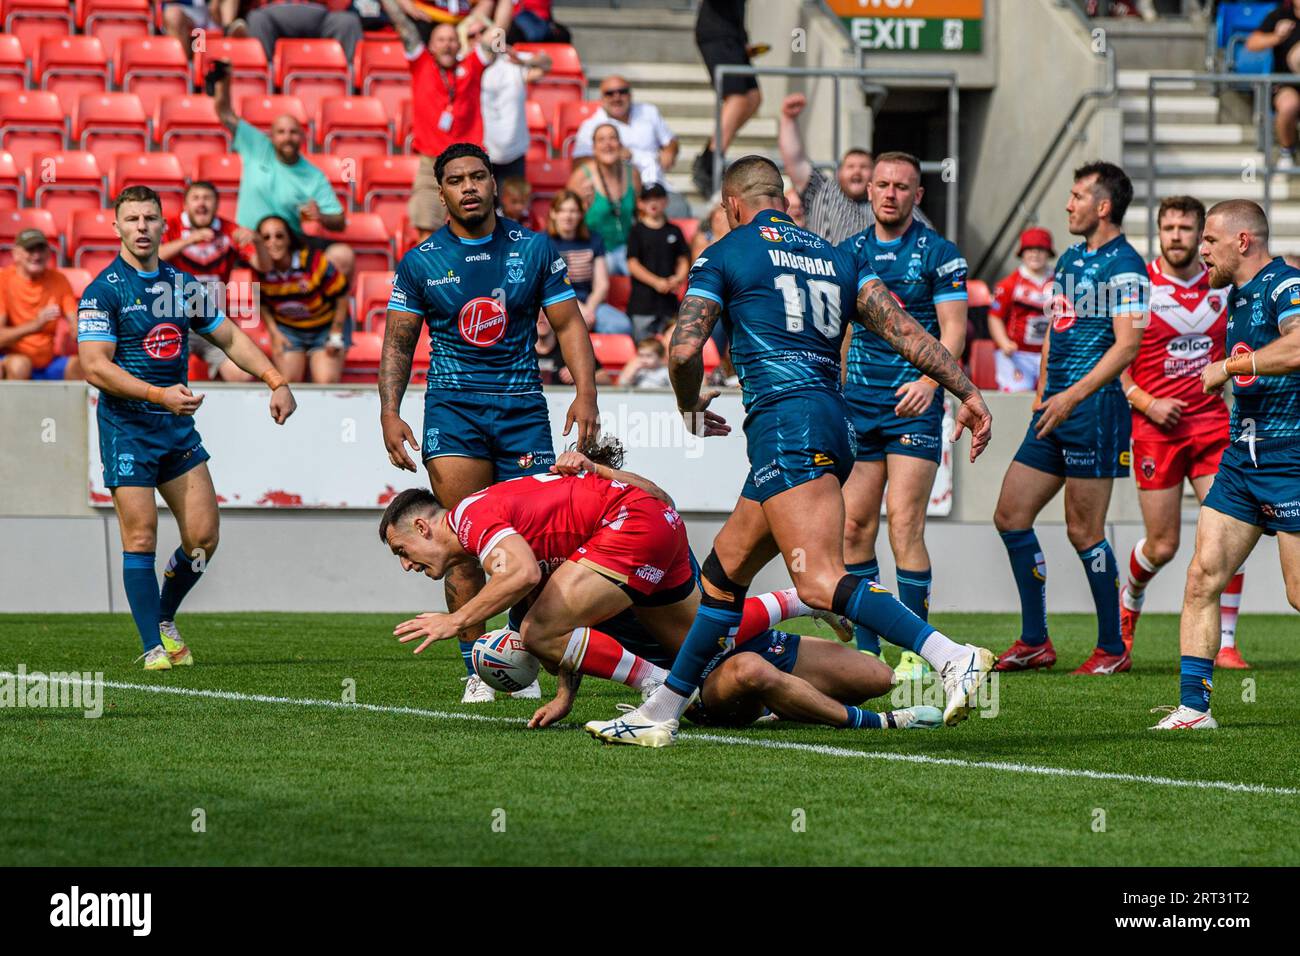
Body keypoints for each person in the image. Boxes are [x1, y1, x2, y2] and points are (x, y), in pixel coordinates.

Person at [583, 155, 995, 748]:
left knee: (819, 582)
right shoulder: (839, 255)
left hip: (786, 423)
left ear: (730, 205)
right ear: (780, 197)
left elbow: (681, 352)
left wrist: (689, 405)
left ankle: (950, 655)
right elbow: (907, 332)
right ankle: (662, 712)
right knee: (723, 574)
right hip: (834, 421)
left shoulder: (726, 251)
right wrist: (968, 391)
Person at [378, 142, 600, 703]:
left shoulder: (535, 248)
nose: (469, 187)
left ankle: (524, 659)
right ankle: (477, 668)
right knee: (462, 544)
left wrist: (586, 392)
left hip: (522, 409)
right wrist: (389, 410)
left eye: (479, 176)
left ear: (495, 185)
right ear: (442, 191)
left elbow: (569, 325)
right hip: (453, 413)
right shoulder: (422, 260)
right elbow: (399, 342)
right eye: (456, 180)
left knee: (533, 546)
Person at [76, 186, 297, 670]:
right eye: (131, 219)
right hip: (128, 427)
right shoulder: (103, 291)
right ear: (116, 227)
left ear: (163, 226)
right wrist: (157, 395)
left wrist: (275, 379)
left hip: (176, 430)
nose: (140, 227)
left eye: (149, 218)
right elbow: (94, 366)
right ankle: (152, 647)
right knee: (141, 538)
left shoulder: (182, 285)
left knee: (203, 538)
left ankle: (164, 616)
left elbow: (230, 335)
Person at [993, 162, 1148, 675]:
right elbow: (1055, 335)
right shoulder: (1070, 261)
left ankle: (1111, 647)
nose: (1068, 204)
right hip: (1053, 410)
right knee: (1010, 516)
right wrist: (1044, 393)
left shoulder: (1128, 266)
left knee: (1084, 532)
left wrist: (1073, 396)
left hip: (1096, 414)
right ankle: (1036, 640)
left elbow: (1128, 346)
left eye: (1077, 195)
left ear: (1103, 207)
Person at [1153, 199, 1300, 729]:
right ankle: (1194, 709)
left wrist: (1231, 366)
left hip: (1291, 461)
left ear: (1243, 241)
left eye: (1209, 241)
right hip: (1242, 462)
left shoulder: (1285, 285)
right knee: (1201, 577)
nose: (1200, 250)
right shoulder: (1237, 296)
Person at [838, 152, 969, 682]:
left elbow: (954, 329)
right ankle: (867, 653)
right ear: (868, 191)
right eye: (883, 185)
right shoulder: (847, 253)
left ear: (919, 195)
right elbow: (843, 330)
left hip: (913, 406)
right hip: (859, 404)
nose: (891, 193)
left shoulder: (939, 253)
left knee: (906, 527)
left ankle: (919, 653)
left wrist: (929, 380)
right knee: (852, 529)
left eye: (902, 186)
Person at [1119, 196, 1247, 669]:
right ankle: (1128, 603)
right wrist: (1147, 402)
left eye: (1186, 228)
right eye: (1168, 227)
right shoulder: (1138, 287)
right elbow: (1115, 362)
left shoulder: (1225, 286)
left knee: (1227, 532)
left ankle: (1227, 642)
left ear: (1201, 235)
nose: (1177, 235)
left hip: (1213, 426)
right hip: (1155, 431)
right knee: (1163, 544)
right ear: (1158, 232)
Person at [380, 0, 514, 239]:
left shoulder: (472, 66)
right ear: (431, 45)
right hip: (430, 166)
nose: (447, 44)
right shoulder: (421, 64)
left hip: (469, 165)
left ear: (459, 43)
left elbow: (498, 33)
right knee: (427, 236)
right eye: (441, 40)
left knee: (479, 232)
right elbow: (402, 24)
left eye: (452, 39)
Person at [211, 64, 355, 285]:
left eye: (293, 132)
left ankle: (324, 315)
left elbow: (340, 221)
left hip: (290, 242)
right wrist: (224, 79)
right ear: (272, 136)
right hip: (249, 239)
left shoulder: (313, 175)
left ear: (302, 137)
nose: (287, 137)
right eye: (281, 132)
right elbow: (225, 113)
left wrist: (321, 216)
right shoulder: (257, 146)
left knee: (343, 256)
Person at [160, 180, 265, 383]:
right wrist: (190, 239)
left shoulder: (228, 230)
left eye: (207, 198)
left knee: (242, 375)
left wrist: (258, 242)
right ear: (185, 204)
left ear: (217, 205)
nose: (202, 203)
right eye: (196, 198)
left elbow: (263, 266)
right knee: (163, 374)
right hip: (174, 321)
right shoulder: (169, 227)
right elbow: (151, 259)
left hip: (214, 321)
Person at [253, 215, 351, 384]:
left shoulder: (314, 261)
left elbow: (341, 295)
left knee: (325, 381)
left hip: (325, 327)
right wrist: (274, 333)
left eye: (279, 236)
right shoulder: (259, 270)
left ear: (289, 239)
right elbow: (262, 303)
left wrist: (335, 332)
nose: (273, 242)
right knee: (288, 382)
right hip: (289, 329)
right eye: (266, 238)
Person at [691, 0, 762, 197]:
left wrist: (743, 38)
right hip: (717, 33)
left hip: (734, 34)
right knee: (738, 98)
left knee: (753, 98)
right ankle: (709, 164)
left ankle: (709, 156)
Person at [472, 12, 551, 183]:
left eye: (484, 32)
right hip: (479, 152)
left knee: (512, 208)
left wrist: (523, 61)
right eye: (474, 34)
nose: (479, 38)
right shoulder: (466, 64)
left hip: (513, 152)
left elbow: (546, 64)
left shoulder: (511, 61)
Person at [571, 76, 679, 191]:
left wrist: (670, 151)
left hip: (655, 183)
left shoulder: (649, 111)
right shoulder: (591, 125)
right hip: (618, 187)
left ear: (630, 95)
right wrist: (610, 157)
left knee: (680, 208)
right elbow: (579, 162)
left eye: (622, 91)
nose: (616, 97)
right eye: (610, 93)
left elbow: (670, 141)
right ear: (601, 99)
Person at [546, 190, 630, 335]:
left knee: (621, 325)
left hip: (590, 304)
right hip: (556, 304)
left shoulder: (594, 240)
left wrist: (589, 310)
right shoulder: (542, 242)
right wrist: (579, 311)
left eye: (573, 211)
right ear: (553, 213)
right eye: (562, 210)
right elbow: (549, 286)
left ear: (581, 214)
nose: (568, 216)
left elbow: (602, 284)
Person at [0, 230, 81, 381]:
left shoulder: (59, 280)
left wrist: (80, 330)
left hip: (49, 361)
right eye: (30, 250)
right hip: (12, 358)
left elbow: (74, 323)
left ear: (48, 253)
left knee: (81, 366)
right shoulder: (3, 280)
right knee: (20, 365)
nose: (36, 255)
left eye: (41, 249)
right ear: (15, 253)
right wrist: (36, 325)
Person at [987, 227, 1055, 393]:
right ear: (1022, 253)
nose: (1035, 255)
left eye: (1040, 250)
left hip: (1050, 355)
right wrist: (1003, 343)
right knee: (1018, 398)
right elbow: (994, 317)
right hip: (1016, 355)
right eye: (1030, 250)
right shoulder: (1009, 284)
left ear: (1048, 253)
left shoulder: (1061, 282)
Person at [566, 123, 640, 276]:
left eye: (613, 138)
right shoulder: (581, 176)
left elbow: (640, 214)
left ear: (620, 144)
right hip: (594, 251)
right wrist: (585, 205)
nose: (608, 144)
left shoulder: (632, 173)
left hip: (628, 249)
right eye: (601, 140)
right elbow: (567, 218)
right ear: (593, 148)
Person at [626, 183, 689, 340]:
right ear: (640, 203)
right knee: (644, 349)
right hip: (643, 305)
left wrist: (678, 279)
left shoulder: (674, 230)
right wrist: (656, 282)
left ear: (666, 201)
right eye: (647, 199)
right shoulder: (636, 231)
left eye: (657, 198)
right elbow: (632, 264)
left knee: (671, 348)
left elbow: (683, 259)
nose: (653, 203)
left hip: (669, 303)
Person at [1246, 0, 1300, 168]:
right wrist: (1278, 36)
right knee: (1288, 105)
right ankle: (1287, 150)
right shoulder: (1280, 15)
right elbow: (1252, 43)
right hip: (1287, 84)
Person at [245, 1, 363, 62]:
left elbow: (340, 5)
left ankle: (352, 87)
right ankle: (262, 81)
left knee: (348, 21)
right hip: (272, 16)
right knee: (256, 19)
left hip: (318, 16)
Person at [534, 313, 611, 386]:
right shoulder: (523, 351)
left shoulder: (573, 348)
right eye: (537, 312)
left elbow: (606, 380)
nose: (541, 318)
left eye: (546, 313)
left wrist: (580, 376)